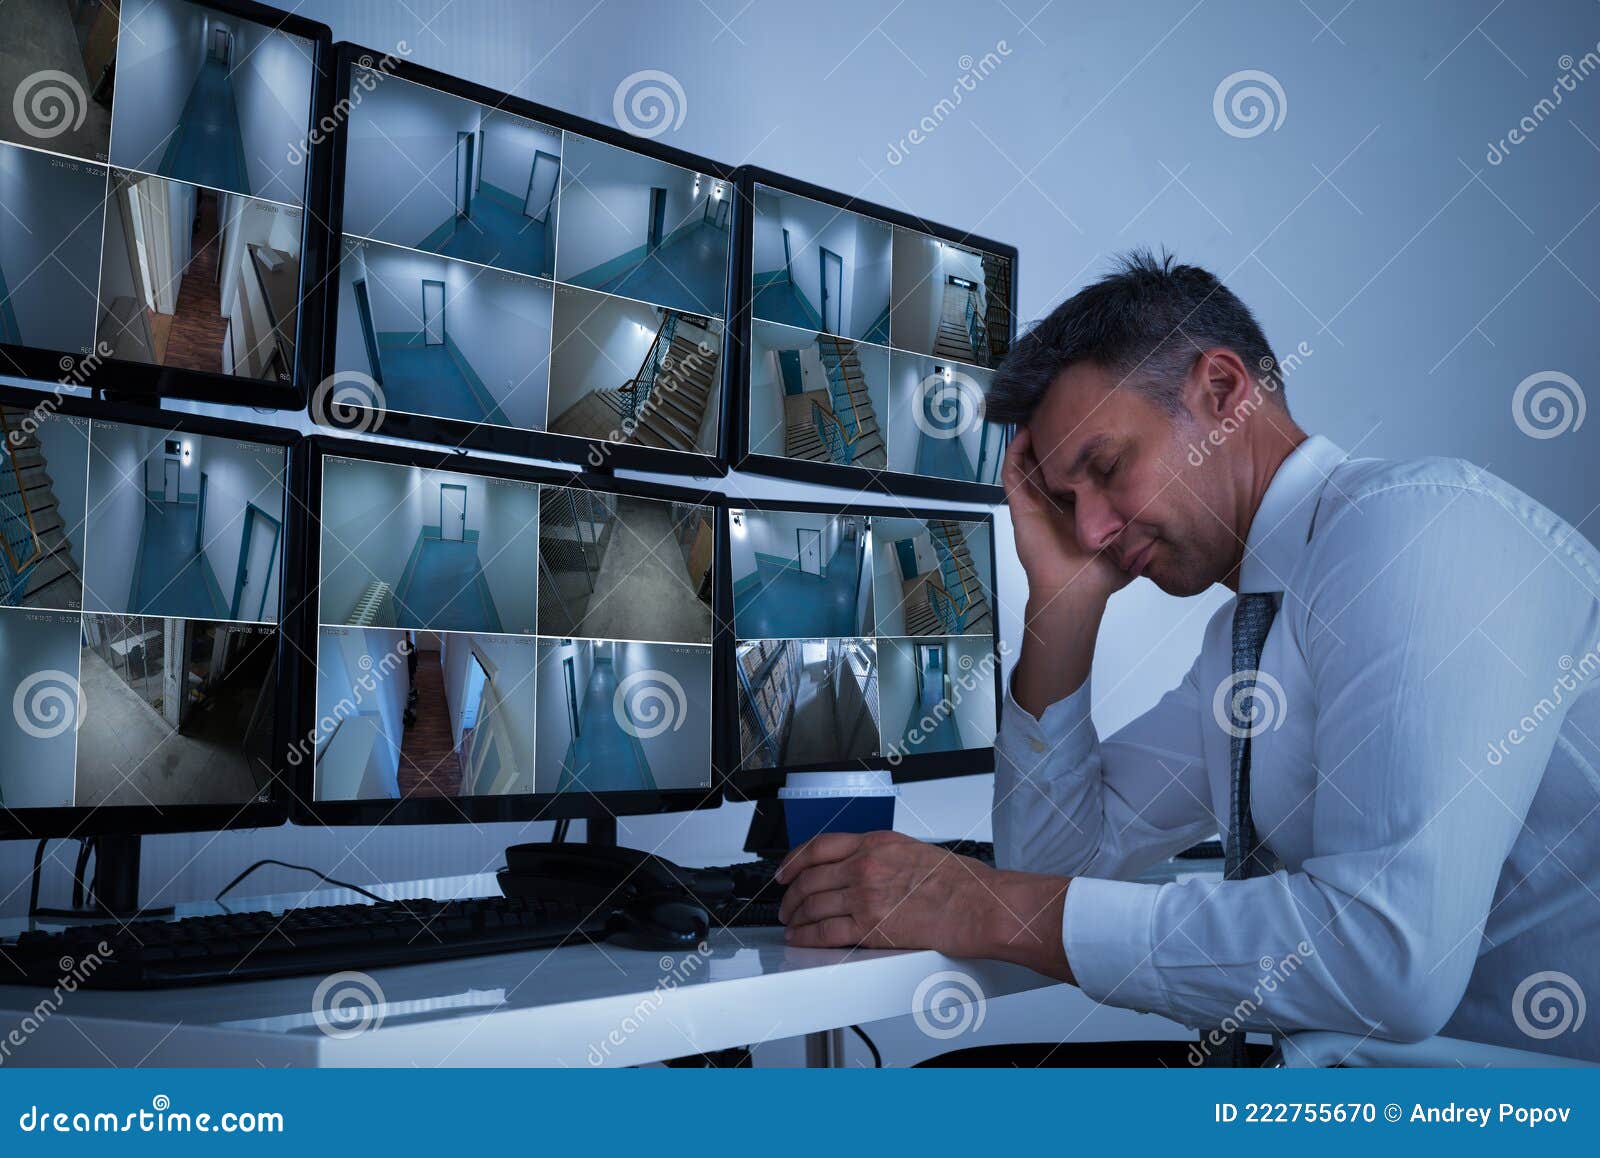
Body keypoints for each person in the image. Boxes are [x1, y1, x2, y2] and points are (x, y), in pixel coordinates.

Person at [776, 250, 1600, 1065]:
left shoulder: (1417, 531)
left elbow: (1389, 961)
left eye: (1106, 468)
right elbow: (1055, 866)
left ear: (1221, 392)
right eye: (1067, 502)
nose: (1092, 527)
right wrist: (1063, 603)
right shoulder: (1244, 641)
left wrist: (990, 907)